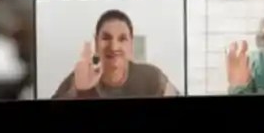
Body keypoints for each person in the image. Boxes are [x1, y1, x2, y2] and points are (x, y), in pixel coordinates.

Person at [52, 10, 180, 99]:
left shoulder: (152, 78)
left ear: (131, 44)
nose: (114, 47)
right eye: (106, 38)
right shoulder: (81, 76)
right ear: (96, 42)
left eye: (122, 39)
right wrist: (80, 91)